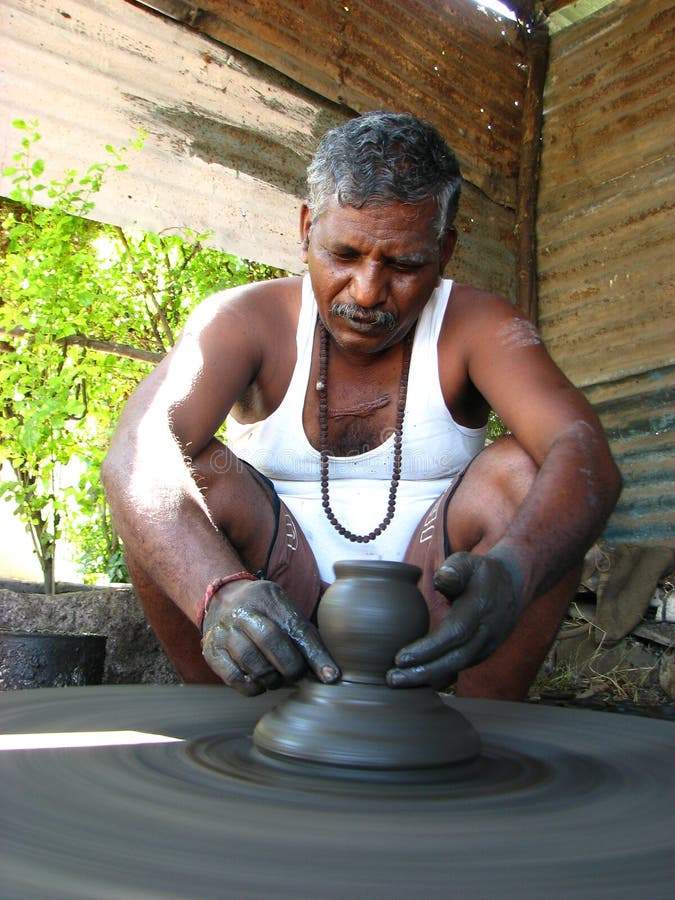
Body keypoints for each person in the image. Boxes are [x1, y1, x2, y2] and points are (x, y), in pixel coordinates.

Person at [102, 111, 621, 701]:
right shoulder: (245, 320)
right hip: (270, 594)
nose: (368, 292)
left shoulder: (480, 325)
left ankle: (480, 737)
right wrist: (218, 590)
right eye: (343, 255)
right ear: (305, 229)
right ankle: (218, 723)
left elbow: (585, 453)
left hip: (432, 602)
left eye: (403, 265)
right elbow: (135, 458)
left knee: (527, 474)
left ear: (444, 251)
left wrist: (515, 571)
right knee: (179, 475)